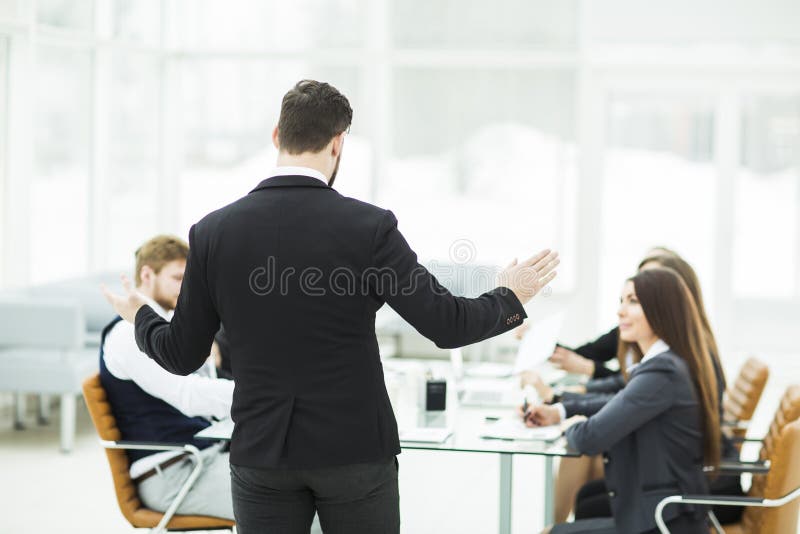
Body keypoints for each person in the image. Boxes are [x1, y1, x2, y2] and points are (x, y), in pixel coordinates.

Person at [102, 79, 560, 534]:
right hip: (354, 451)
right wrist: (510, 295)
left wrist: (139, 314)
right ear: (339, 142)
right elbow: (448, 324)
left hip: (261, 454)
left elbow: (181, 355)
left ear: (277, 135)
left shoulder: (213, 233)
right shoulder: (370, 228)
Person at [522, 250, 740, 525]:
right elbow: (624, 396)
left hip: (671, 506)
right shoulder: (667, 359)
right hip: (669, 487)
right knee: (587, 499)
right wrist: (561, 409)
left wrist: (569, 424)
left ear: (664, 303)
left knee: (568, 514)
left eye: (635, 300)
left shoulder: (666, 368)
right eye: (623, 300)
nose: (620, 310)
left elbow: (593, 434)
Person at [100, 235, 235, 520]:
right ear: (147, 274)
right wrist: (260, 395)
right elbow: (187, 395)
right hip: (174, 475)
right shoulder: (128, 333)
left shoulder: (168, 328)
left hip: (200, 458)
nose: (186, 289)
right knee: (296, 502)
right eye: (177, 278)